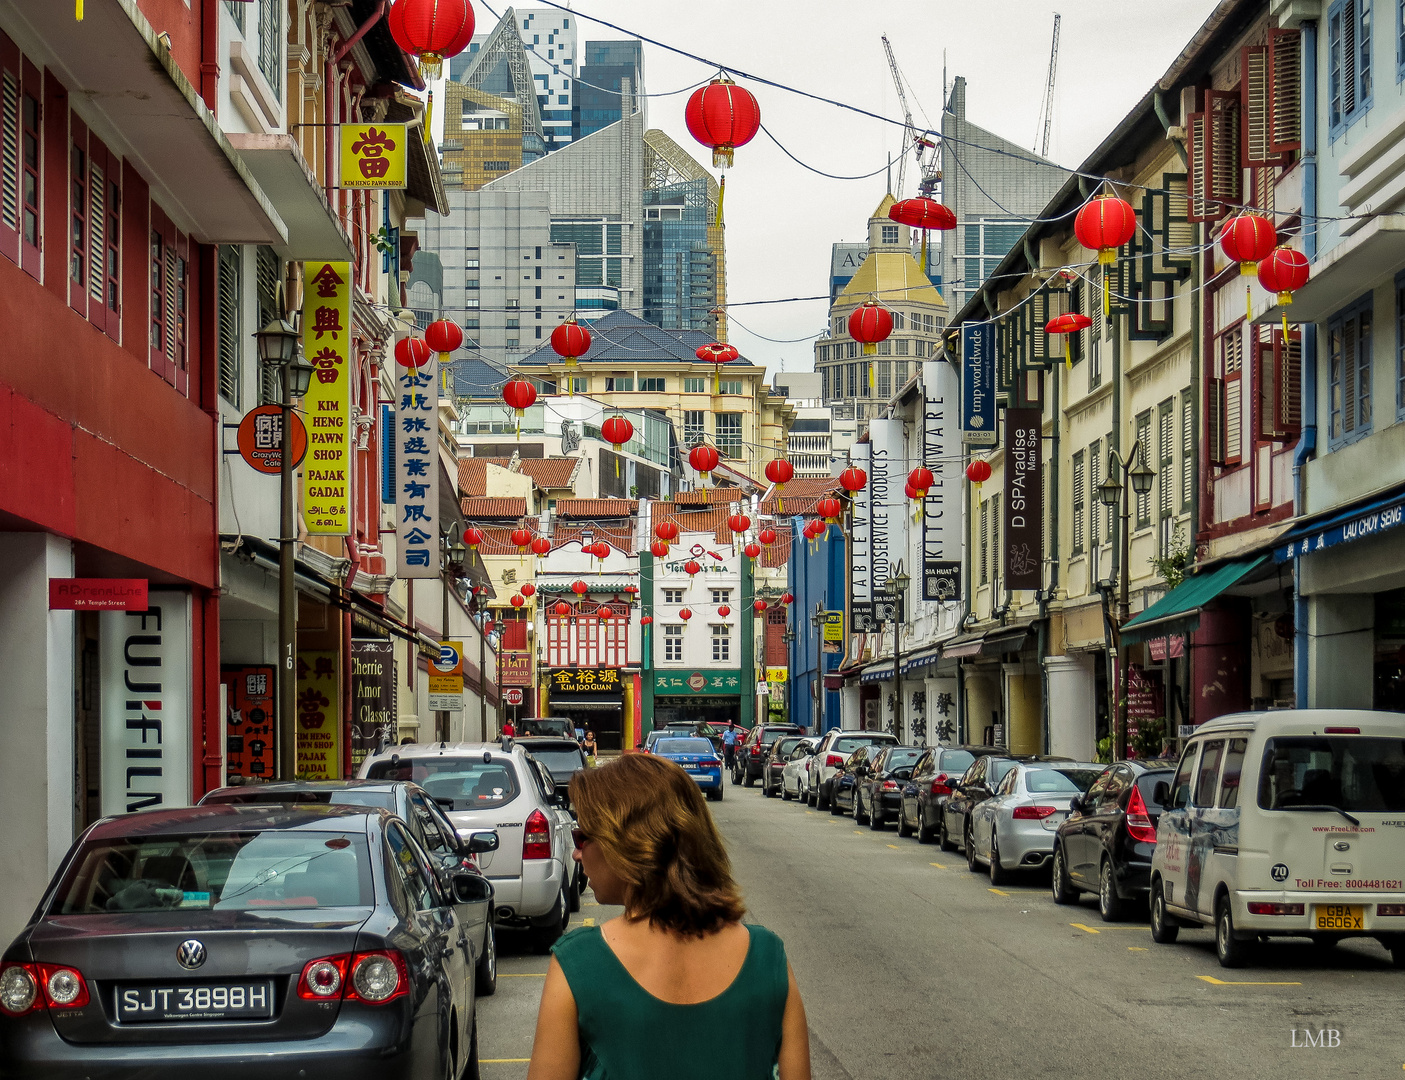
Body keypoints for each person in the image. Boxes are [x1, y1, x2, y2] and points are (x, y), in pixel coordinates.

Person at [526, 754, 810, 1080]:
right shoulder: (768, 958)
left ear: (627, 845)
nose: (576, 853)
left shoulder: (579, 963)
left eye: (582, 837)